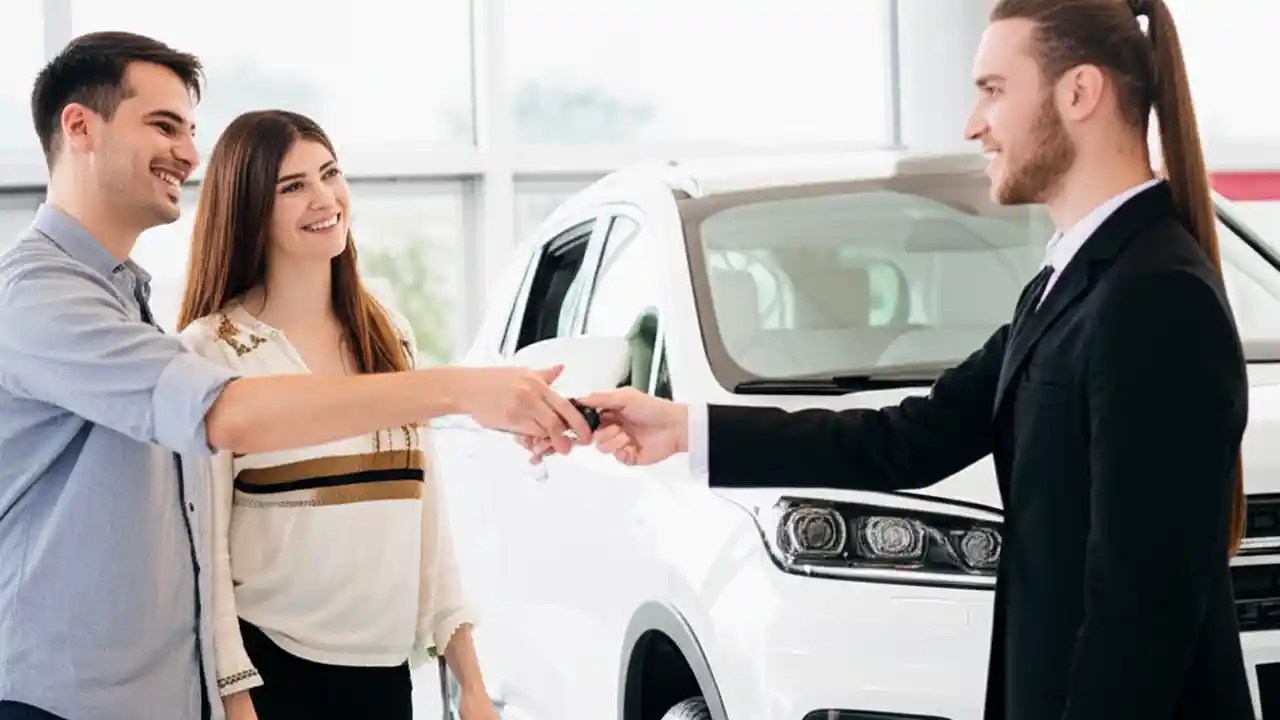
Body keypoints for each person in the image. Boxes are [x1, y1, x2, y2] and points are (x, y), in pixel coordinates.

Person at [532, 0, 1253, 717]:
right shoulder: (1067, 287)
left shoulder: (1155, 296)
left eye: (993, 90)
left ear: (1079, 93)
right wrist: (686, 429)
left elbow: (1141, 611)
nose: (974, 123)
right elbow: (903, 441)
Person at [0, 32, 589, 720]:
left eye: (191, 130)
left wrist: (469, 680)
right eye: (164, 126)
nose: (189, 153)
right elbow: (222, 416)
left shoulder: (124, 300)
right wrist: (463, 390)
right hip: (67, 703)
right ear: (80, 128)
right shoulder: (40, 297)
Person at [176, 109, 497, 720]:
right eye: (292, 186)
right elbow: (206, 556)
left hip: (385, 677)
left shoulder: (387, 335)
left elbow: (429, 523)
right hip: (274, 675)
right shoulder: (210, 351)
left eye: (330, 174)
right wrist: (235, 699)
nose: (324, 198)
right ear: (248, 209)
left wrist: (473, 686)